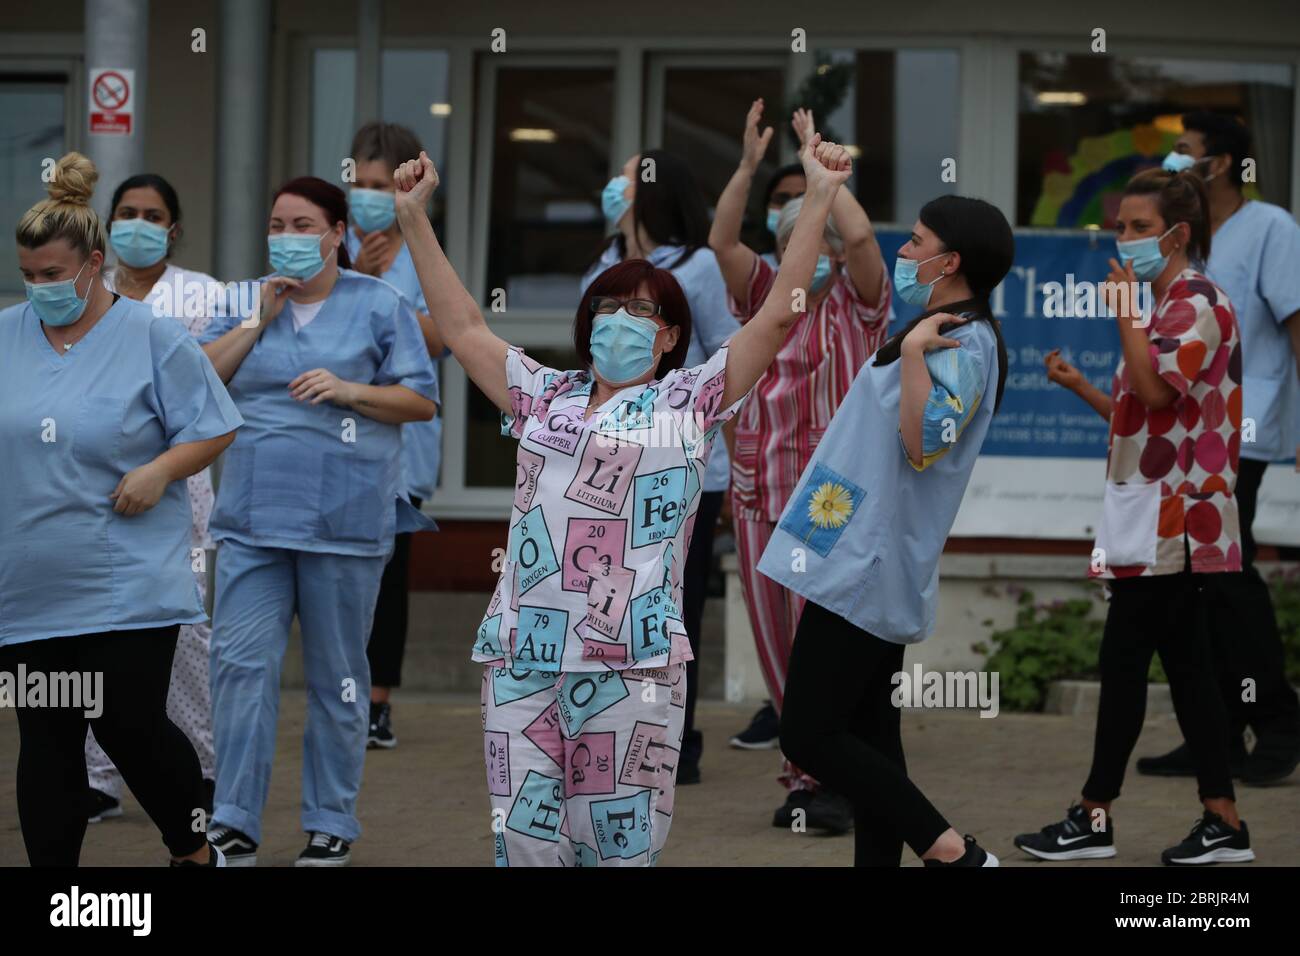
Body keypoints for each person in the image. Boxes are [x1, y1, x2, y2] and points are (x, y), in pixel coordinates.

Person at [394, 132, 855, 866]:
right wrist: (415, 216)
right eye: (608, 307)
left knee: (616, 849)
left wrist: (821, 197)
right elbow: (462, 327)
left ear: (672, 336)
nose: (620, 321)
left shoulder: (690, 397)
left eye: (642, 312)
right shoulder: (545, 394)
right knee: (522, 841)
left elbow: (776, 319)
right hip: (525, 658)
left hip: (632, 667)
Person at [0, 152, 242, 867]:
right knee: (45, 732)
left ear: (93, 263)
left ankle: (191, 848)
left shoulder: (151, 335)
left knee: (126, 725)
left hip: (127, 577)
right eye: (28, 275)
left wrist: (160, 469)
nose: (40, 288)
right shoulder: (5, 336)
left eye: (53, 274)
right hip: (31, 577)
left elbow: (213, 423)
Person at [765, 194, 1011, 867]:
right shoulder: (935, 327)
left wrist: (911, 360)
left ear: (950, 261)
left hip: (866, 563)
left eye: (918, 241)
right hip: (853, 551)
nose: (905, 251)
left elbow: (924, 442)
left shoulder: (961, 340)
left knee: (808, 733)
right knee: (872, 738)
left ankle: (954, 853)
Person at [199, 176, 438, 867]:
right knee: (239, 669)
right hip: (252, 520)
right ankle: (234, 820)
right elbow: (195, 382)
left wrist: (350, 391)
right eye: (278, 225)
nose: (287, 238)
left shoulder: (379, 304)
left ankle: (331, 821)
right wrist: (256, 323)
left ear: (339, 234)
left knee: (338, 676)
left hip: (345, 522)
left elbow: (419, 403)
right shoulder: (244, 301)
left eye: (304, 225)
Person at [1022, 168, 1253, 865]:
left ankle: (1096, 817)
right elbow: (1143, 421)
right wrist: (1085, 386)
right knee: (1185, 669)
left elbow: (1153, 396)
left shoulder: (1196, 304)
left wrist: (1124, 309)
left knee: (1126, 664)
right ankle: (1222, 823)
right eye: (1120, 227)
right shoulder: (1166, 306)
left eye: (1139, 228)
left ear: (1178, 235)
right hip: (1154, 515)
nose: (1124, 241)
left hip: (1177, 522)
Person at [710, 99, 891, 832]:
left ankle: (841, 767)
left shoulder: (859, 301)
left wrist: (824, 173)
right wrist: (752, 168)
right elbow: (722, 237)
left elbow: (866, 236)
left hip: (833, 500)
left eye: (818, 237)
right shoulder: (763, 294)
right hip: (763, 492)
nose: (808, 247)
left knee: (827, 637)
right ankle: (805, 775)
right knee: (776, 640)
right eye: (793, 233)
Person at [1136, 112, 1300, 785]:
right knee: (1201, 577)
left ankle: (1279, 722)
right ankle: (1221, 732)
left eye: (1184, 152)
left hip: (1248, 423)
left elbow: (1296, 324)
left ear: (1222, 163)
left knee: (1227, 573)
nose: (1174, 163)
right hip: (1189, 428)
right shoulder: (1191, 237)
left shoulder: (1272, 229)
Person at [586, 147, 740, 785]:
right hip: (606, 466)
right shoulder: (603, 264)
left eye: (625, 178)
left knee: (673, 604)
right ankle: (608, 724)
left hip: (683, 468)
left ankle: (678, 737)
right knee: (611, 596)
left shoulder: (698, 265)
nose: (614, 187)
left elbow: (728, 351)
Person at [82, 172, 226, 824]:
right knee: (88, 626)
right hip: (87, 483)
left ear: (173, 227)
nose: (138, 223)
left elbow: (203, 381)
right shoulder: (84, 290)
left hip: (177, 483)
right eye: (127, 212)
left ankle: (202, 763)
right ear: (108, 223)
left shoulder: (201, 294)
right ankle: (99, 776)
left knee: (185, 627)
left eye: (153, 214)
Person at [348, 121, 448, 750]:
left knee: (387, 579)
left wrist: (373, 296)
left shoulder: (421, 251)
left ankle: (378, 701)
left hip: (400, 451)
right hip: (334, 444)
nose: (368, 195)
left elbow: (441, 337)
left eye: (381, 184)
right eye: (358, 182)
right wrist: (348, 280)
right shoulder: (327, 251)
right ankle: (344, 693)